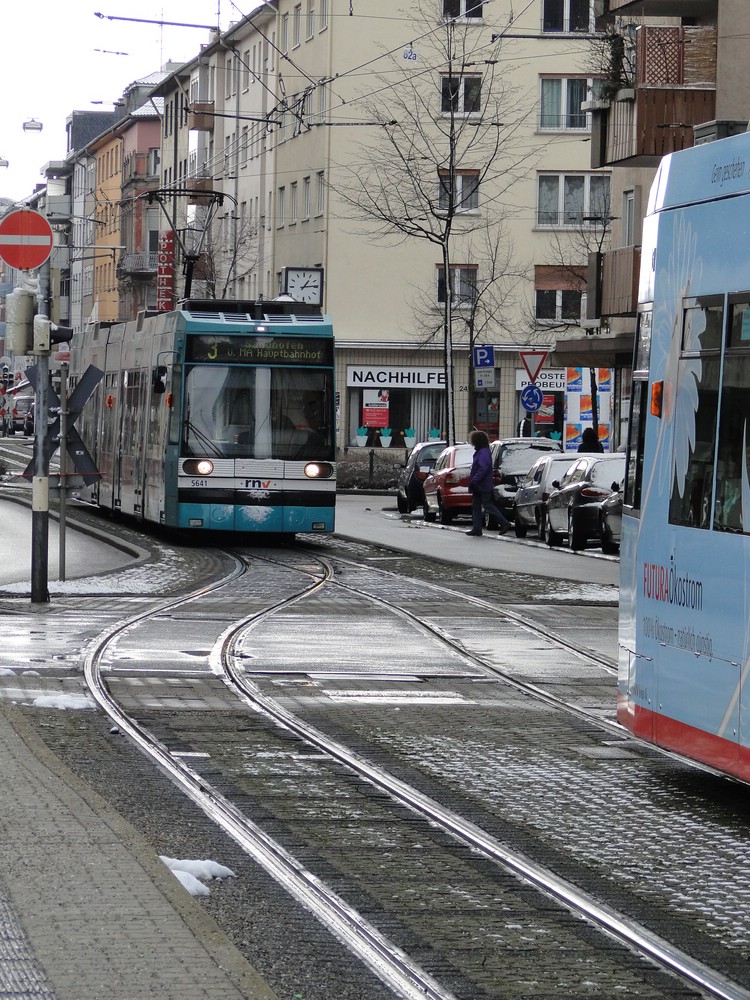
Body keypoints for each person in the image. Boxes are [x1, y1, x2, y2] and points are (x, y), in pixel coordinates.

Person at [465, 430, 511, 537]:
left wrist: (475, 481)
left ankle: (504, 522)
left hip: (482, 485)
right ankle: (477, 528)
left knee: (487, 505)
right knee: (477, 506)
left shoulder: (483, 452)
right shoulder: (483, 451)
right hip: (481, 484)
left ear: (477, 441)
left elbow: (483, 468)